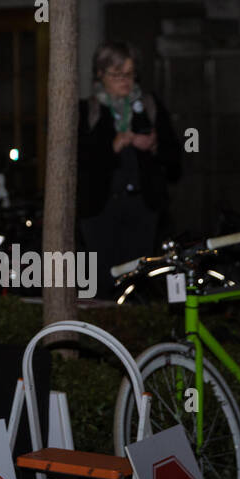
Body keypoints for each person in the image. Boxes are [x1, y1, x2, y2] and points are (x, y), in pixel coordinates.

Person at [78, 41, 182, 298]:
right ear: (100, 75)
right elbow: (79, 163)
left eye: (130, 74)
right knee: (104, 282)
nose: (125, 80)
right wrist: (113, 147)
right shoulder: (87, 111)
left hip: (143, 209)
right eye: (117, 74)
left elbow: (175, 160)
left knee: (138, 281)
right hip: (100, 211)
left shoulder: (148, 107)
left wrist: (154, 145)